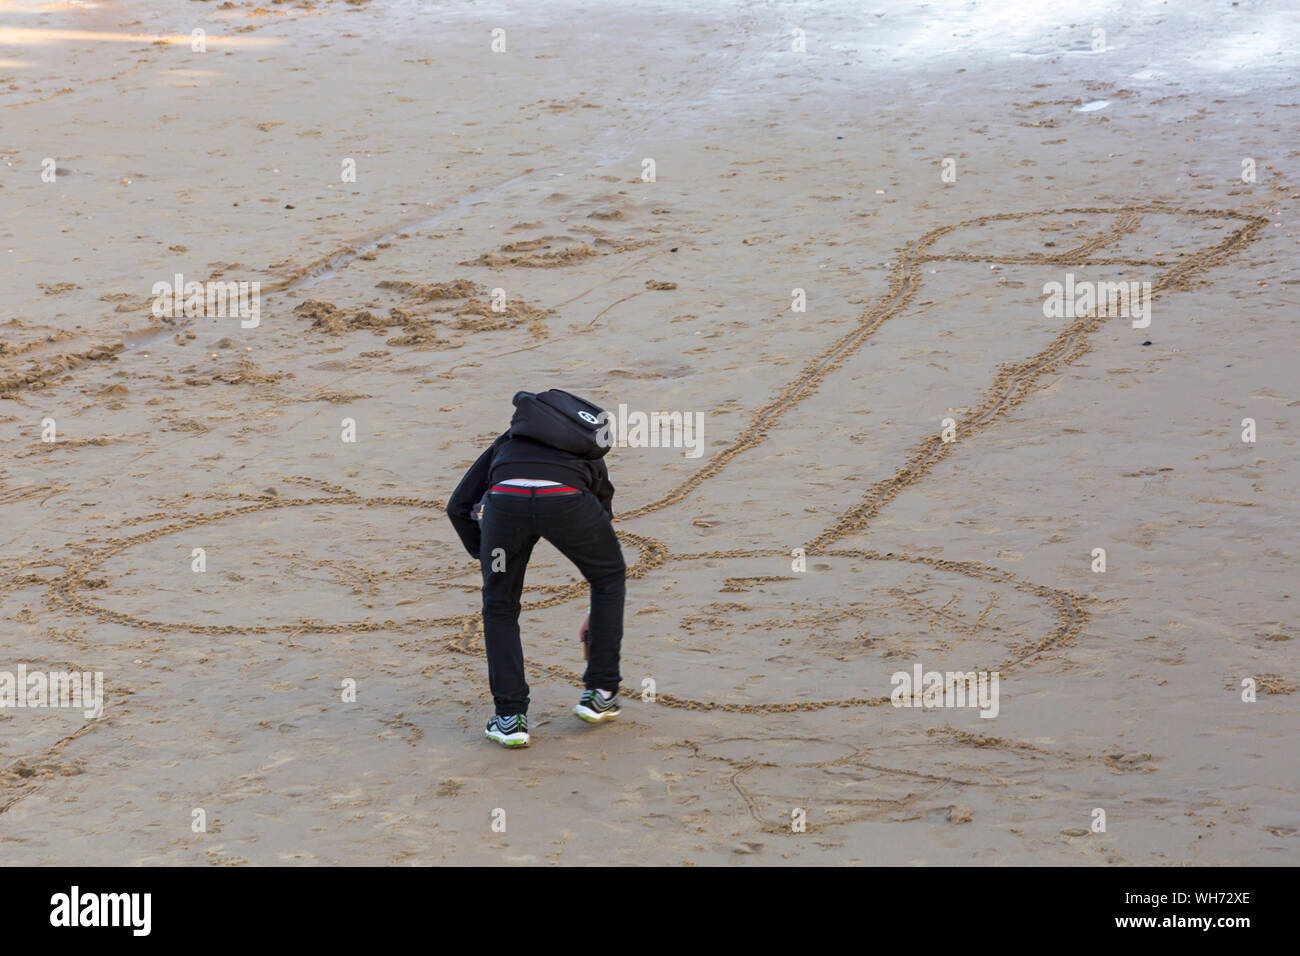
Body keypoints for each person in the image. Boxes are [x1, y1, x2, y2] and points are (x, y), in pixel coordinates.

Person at [446, 389, 626, 748]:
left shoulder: (506, 444)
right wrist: (597, 606)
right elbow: (603, 514)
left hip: (504, 502)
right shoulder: (582, 447)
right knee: (608, 577)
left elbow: (459, 505)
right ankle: (600, 692)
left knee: (500, 605)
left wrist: (489, 559)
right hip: (566, 500)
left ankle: (510, 718)